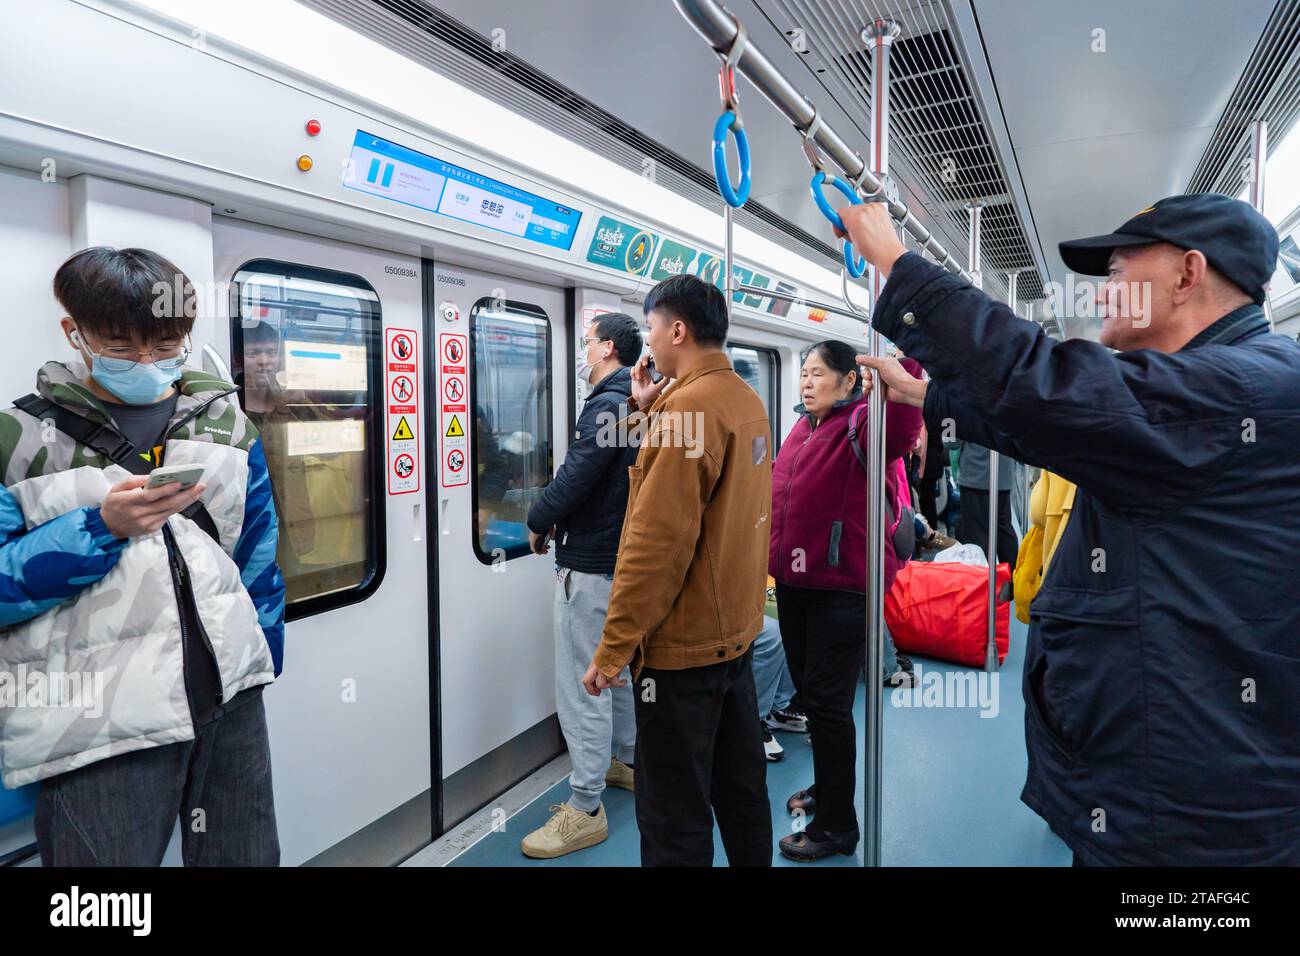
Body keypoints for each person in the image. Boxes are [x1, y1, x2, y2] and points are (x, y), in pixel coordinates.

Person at [843, 193, 1300, 866]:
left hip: (1189, 817)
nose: (1103, 290)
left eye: (1119, 268)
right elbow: (1054, 423)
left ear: (1187, 274)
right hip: (1171, 776)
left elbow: (1051, 388)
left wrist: (895, 261)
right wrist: (923, 395)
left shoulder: (1243, 390)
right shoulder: (1226, 388)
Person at [0, 247, 284, 865]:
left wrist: (262, 657)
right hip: (98, 720)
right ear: (74, 332)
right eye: (124, 348)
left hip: (230, 701)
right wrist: (99, 528)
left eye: (167, 344)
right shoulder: (17, 441)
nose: (150, 362)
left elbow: (259, 553)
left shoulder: (226, 423)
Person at [582, 274, 773, 867]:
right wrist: (647, 408)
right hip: (734, 638)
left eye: (653, 329)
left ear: (678, 329)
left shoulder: (689, 408)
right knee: (740, 789)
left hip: (681, 655)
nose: (650, 343)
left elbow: (654, 549)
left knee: (672, 814)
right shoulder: (743, 399)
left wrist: (614, 648)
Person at [767, 339, 923, 860]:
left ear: (849, 380)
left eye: (817, 374)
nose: (806, 382)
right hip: (795, 585)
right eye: (803, 373)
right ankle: (826, 790)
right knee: (814, 701)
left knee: (829, 707)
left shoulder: (861, 424)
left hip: (841, 589)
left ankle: (837, 828)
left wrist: (905, 366)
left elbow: (901, 431)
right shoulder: (802, 426)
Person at [518, 312, 642, 858]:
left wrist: (538, 518)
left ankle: (585, 806)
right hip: (616, 558)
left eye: (588, 341)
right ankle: (625, 761)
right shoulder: (633, 400)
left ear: (607, 348)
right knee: (615, 673)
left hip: (591, 563)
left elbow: (578, 474)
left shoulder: (609, 402)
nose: (582, 350)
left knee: (585, 681)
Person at [954, 441, 1020, 567]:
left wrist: (948, 424)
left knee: (977, 538)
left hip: (974, 476)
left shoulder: (958, 419)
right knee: (1004, 531)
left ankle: (982, 583)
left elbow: (950, 440)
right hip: (1003, 476)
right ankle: (1013, 581)